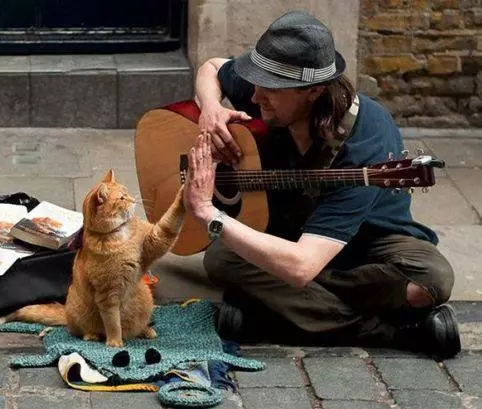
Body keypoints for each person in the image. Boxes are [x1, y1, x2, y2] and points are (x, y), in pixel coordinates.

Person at [181, 10, 460, 360]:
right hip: (288, 228)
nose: (254, 97)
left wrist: (208, 212)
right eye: (255, 81)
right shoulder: (267, 85)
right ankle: (390, 331)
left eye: (269, 88)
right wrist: (209, 109)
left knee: (431, 280)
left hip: (369, 240)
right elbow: (210, 67)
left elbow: (301, 267)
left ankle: (269, 314)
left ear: (313, 90)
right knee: (223, 257)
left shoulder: (364, 144)